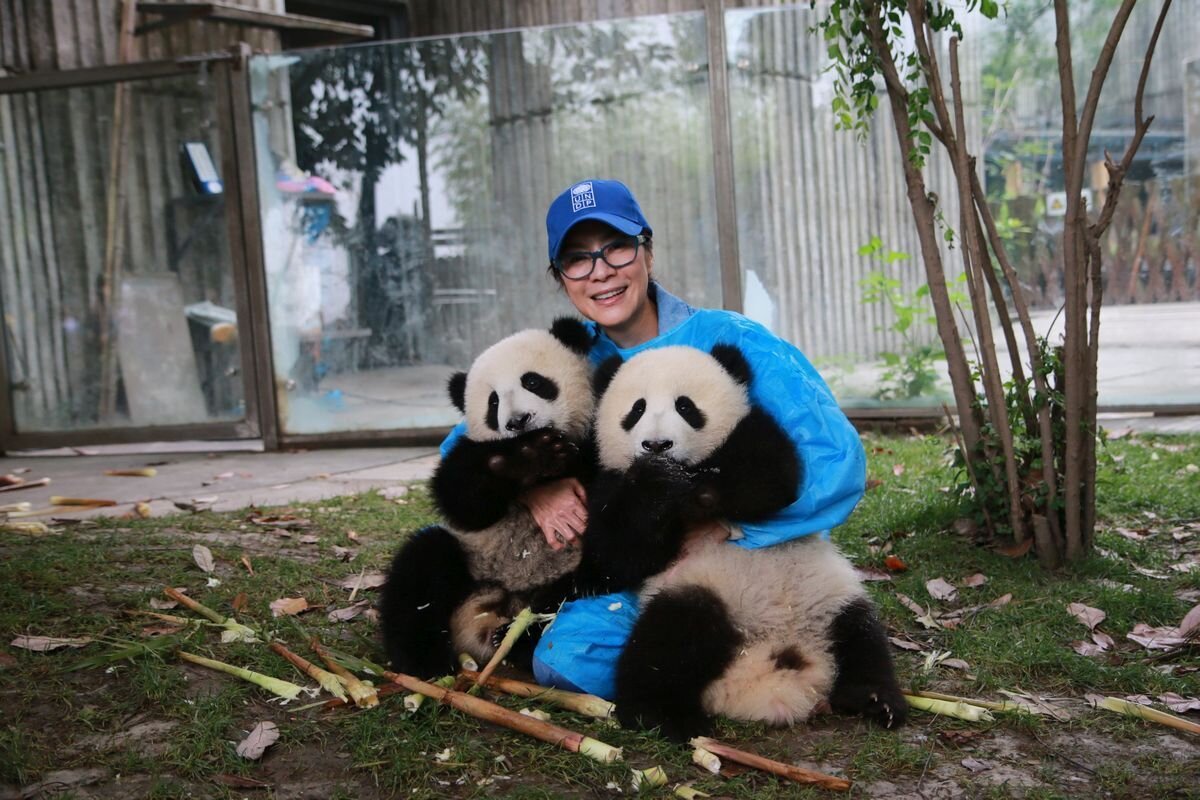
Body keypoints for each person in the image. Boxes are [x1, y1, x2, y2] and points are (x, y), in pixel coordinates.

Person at [439, 178, 866, 699]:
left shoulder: (732, 339)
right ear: (560, 277)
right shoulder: (568, 361)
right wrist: (531, 486)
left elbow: (836, 463)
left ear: (647, 250)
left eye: (615, 247)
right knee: (569, 659)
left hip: (752, 559)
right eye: (577, 259)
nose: (600, 271)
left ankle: (747, 654)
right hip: (636, 567)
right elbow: (468, 444)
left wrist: (728, 524)